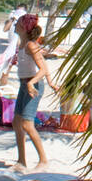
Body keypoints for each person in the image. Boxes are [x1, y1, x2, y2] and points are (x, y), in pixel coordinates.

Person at [12, 14, 58, 170]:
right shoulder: (22, 44)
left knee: (27, 123)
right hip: (24, 85)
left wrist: (32, 83)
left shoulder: (31, 45)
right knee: (16, 122)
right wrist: (51, 82)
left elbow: (43, 69)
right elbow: (44, 63)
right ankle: (21, 161)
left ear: (24, 27)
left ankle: (43, 160)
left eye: (17, 23)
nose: (15, 25)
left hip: (34, 86)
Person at [0, 7, 26, 88]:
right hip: (12, 49)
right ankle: (2, 89)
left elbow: (21, 38)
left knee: (24, 71)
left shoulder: (23, 24)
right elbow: (5, 29)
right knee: (5, 70)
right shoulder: (13, 22)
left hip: (18, 49)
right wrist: (12, 19)